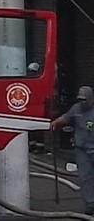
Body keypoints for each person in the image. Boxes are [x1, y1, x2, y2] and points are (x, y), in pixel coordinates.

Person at [51, 85, 94, 215]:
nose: (83, 102)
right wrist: (55, 123)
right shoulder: (76, 109)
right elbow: (65, 118)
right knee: (85, 178)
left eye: (85, 99)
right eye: (80, 99)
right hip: (83, 150)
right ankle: (90, 205)